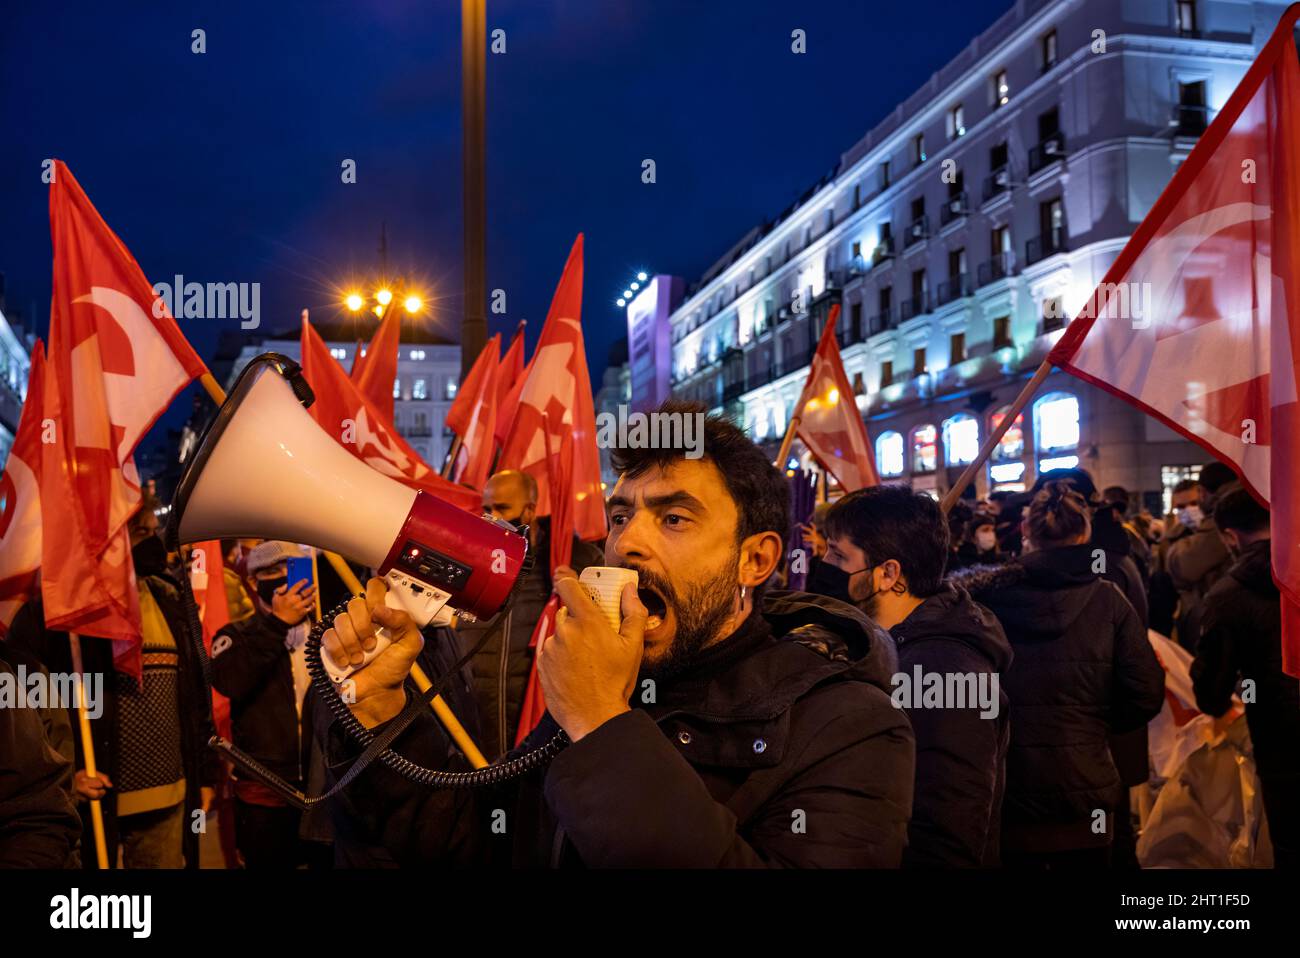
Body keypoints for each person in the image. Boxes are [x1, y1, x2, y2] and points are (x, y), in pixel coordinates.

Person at [317, 401, 914, 867]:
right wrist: (383, 719)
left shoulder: (851, 727)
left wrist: (604, 725)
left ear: (754, 561)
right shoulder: (612, 686)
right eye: (622, 515)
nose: (626, 542)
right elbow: (478, 844)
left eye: (674, 518)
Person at [952, 481, 1164, 868]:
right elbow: (1146, 692)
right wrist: (1093, 722)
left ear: (1025, 532)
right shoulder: (1109, 600)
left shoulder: (984, 598)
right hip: (1085, 790)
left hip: (1005, 789)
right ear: (1085, 532)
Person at [9, 495, 221, 868]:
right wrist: (67, 773)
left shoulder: (169, 599)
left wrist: (205, 773)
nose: (152, 543)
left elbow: (193, 698)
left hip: (169, 800)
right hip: (94, 801)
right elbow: (26, 706)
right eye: (140, 532)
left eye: (153, 531)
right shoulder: (57, 616)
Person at [811, 486, 1011, 867]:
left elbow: (946, 830)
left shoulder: (948, 671)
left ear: (888, 573)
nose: (826, 566)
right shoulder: (879, 644)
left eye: (838, 555)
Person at [459, 469, 604, 759]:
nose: (491, 517)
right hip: (477, 718)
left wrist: (579, 592)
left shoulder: (575, 559)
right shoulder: (472, 556)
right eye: (487, 508)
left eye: (502, 508)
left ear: (529, 511)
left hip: (539, 721)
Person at [1191, 488, 1300, 868]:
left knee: (1291, 840)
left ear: (1230, 537)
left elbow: (1211, 691)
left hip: (1282, 739)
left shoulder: (1228, 596)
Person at [210, 541, 328, 869]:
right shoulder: (236, 635)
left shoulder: (327, 633)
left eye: (290, 569)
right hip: (265, 793)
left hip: (323, 789)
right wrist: (277, 624)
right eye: (271, 572)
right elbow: (230, 681)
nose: (282, 578)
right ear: (252, 582)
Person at [1166, 462, 1237, 651]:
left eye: (1193, 503)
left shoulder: (1219, 529)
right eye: (1180, 507)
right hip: (1191, 623)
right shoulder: (1170, 539)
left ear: (1202, 495)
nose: (1188, 510)